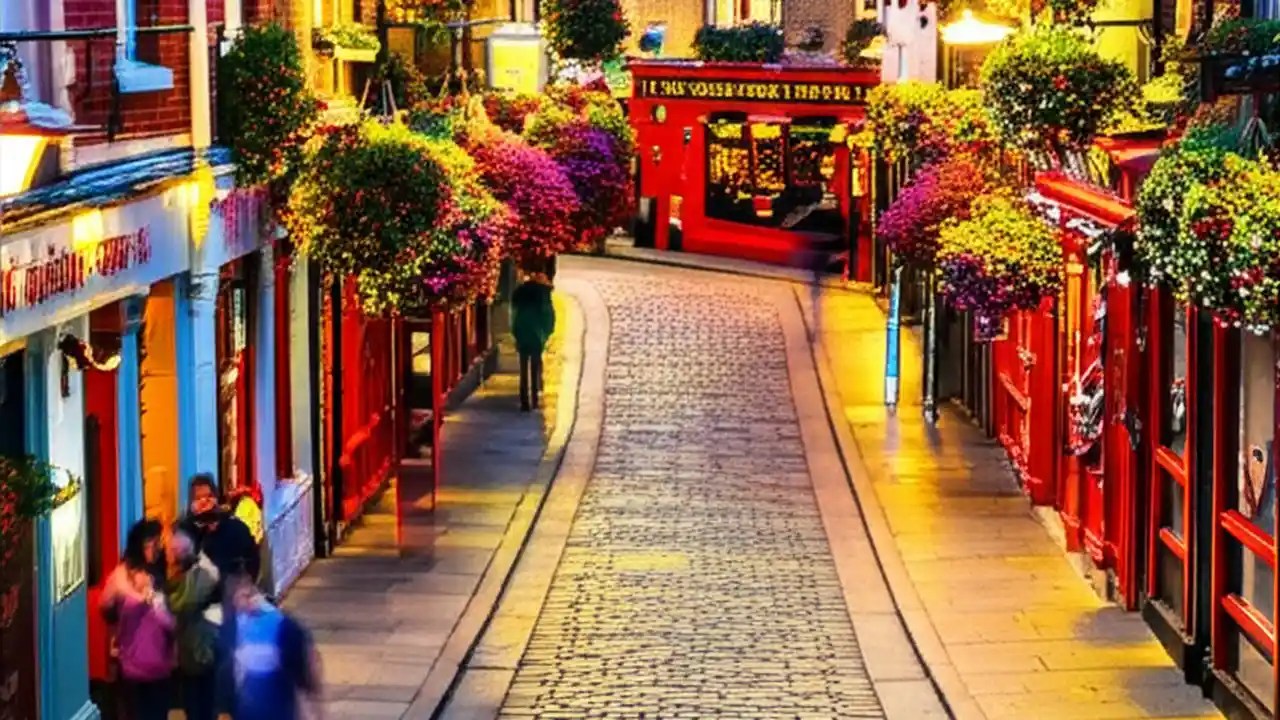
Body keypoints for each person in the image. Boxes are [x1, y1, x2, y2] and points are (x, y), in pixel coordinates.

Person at [217, 571, 323, 720]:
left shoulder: (279, 623)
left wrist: (312, 707)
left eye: (248, 595)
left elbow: (305, 666)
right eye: (241, 597)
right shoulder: (234, 626)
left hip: (275, 704)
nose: (246, 602)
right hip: (252, 705)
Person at [100, 519, 175, 720]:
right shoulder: (121, 575)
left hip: (159, 666)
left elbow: (171, 622)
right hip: (133, 666)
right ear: (139, 544)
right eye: (151, 542)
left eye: (157, 542)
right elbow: (106, 605)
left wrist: (154, 602)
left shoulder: (160, 574)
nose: (156, 548)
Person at [166, 525, 221, 720]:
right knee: (193, 702)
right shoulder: (188, 572)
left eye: (173, 550)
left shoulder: (204, 573)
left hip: (202, 648)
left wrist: (165, 597)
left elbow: (184, 603)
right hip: (190, 651)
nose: (169, 554)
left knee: (203, 703)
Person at [179, 473, 260, 585]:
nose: (204, 502)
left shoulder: (235, 528)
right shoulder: (184, 533)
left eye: (209, 496)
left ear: (216, 499)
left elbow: (252, 560)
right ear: (190, 503)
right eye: (198, 498)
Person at [510, 270, 556, 412]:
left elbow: (514, 314)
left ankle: (524, 400)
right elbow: (549, 315)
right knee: (535, 365)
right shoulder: (543, 294)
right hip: (537, 333)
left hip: (523, 331)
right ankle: (535, 398)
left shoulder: (520, 293)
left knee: (523, 368)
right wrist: (547, 332)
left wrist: (516, 332)